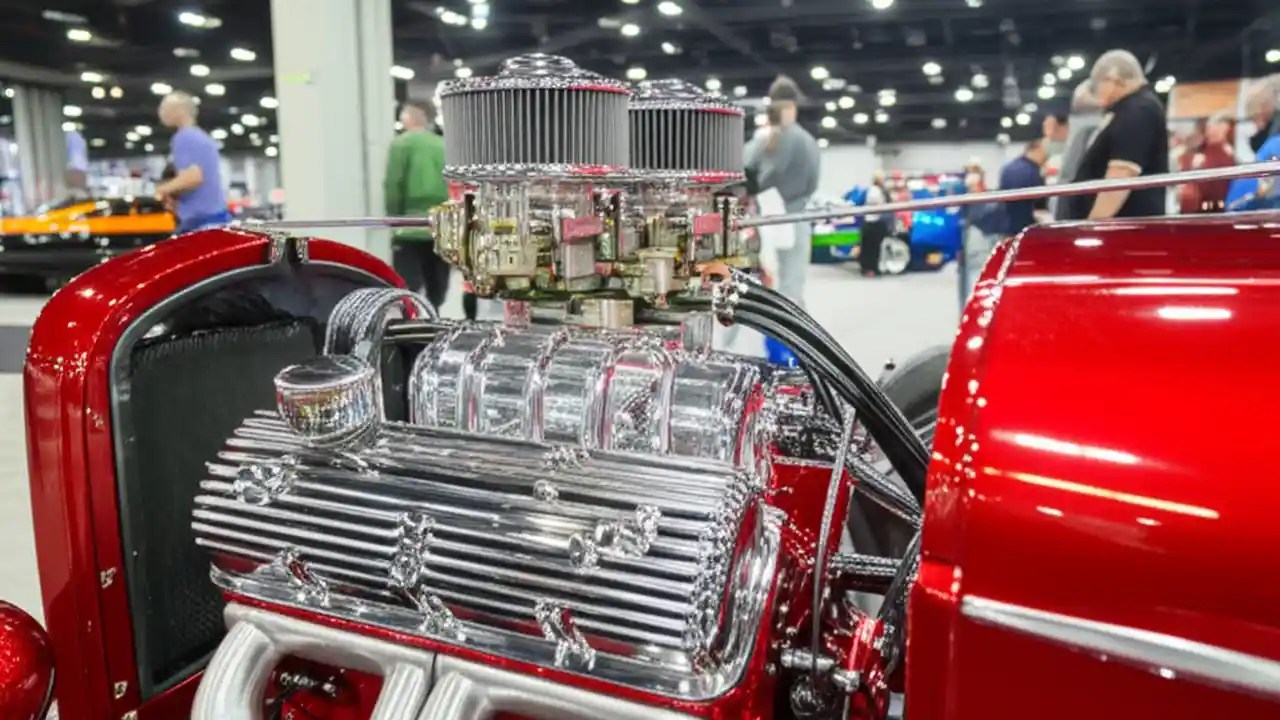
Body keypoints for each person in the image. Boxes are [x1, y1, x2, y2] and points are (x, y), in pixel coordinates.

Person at [1059, 50, 1169, 221]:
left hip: (1123, 230)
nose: (1097, 94)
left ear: (1112, 79)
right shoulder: (1133, 108)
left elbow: (1121, 176)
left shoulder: (1137, 110)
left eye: (1097, 86)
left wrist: (1093, 226)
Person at [746, 76, 821, 306]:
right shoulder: (804, 140)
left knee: (760, 281)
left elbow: (746, 171)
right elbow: (812, 182)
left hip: (763, 219)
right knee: (791, 286)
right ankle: (785, 339)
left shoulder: (762, 140)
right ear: (793, 105)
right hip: (794, 216)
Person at [384, 99, 453, 312]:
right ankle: (435, 319)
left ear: (408, 118)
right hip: (441, 227)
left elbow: (394, 184)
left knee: (407, 287)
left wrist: (393, 218)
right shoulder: (443, 144)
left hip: (409, 227)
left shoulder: (401, 143)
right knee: (437, 286)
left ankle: (409, 327)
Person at [155, 92, 230, 233]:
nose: (160, 112)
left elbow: (193, 177)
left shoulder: (184, 137)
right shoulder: (202, 137)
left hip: (200, 223)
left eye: (164, 107)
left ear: (180, 110)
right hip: (216, 218)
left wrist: (162, 190)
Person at [1178, 112, 1235, 214]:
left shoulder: (1228, 152)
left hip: (1217, 205)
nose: (1212, 131)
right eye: (1210, 127)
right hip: (1197, 206)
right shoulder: (1198, 148)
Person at [859, 171, 889, 276]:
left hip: (871, 222)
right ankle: (870, 268)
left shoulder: (874, 190)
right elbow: (879, 205)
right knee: (872, 248)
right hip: (873, 222)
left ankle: (869, 267)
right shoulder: (875, 191)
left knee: (870, 247)